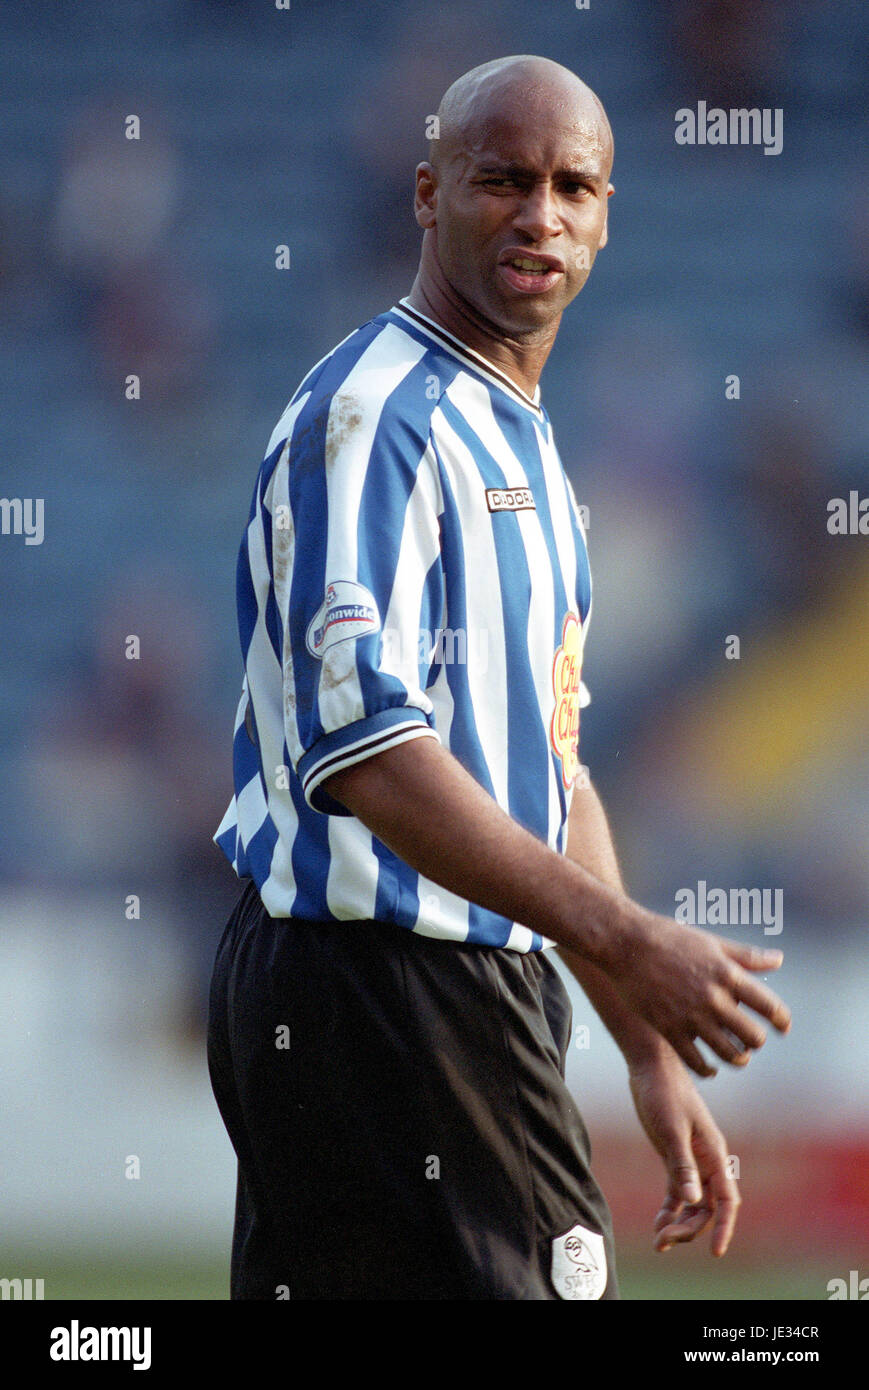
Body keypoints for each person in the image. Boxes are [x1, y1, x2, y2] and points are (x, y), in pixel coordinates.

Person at [207, 54, 791, 1301]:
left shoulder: (515, 436)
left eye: (572, 186)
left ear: (605, 215)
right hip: (385, 984)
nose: (539, 214)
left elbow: (549, 764)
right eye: (501, 179)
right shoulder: (373, 419)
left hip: (410, 987)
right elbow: (367, 754)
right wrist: (624, 938)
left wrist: (641, 1042)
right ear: (426, 195)